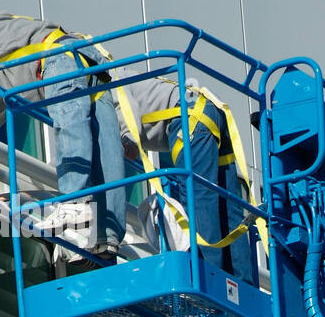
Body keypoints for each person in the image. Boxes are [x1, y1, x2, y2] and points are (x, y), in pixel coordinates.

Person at [0, 6, 126, 256]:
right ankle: (109, 236)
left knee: (69, 125)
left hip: (59, 59)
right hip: (89, 63)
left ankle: (72, 203)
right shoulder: (7, 39)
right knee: (106, 148)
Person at [111, 73, 260, 285]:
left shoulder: (106, 83)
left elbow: (128, 126)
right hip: (207, 109)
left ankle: (208, 280)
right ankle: (244, 285)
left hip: (190, 116)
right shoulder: (120, 76)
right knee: (227, 206)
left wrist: (120, 145)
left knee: (198, 200)